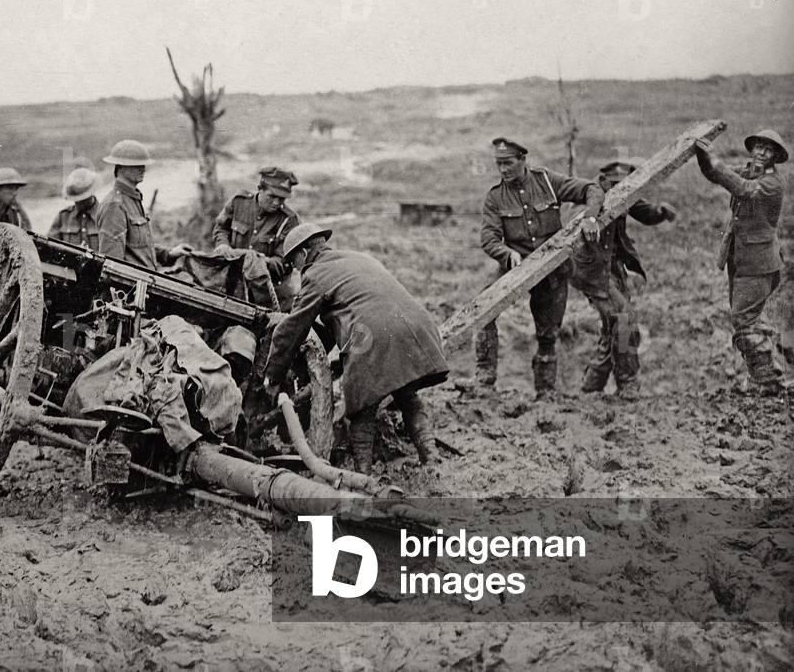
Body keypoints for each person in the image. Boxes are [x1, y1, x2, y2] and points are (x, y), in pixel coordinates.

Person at [264, 224, 449, 472]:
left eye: (294, 262)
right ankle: (431, 459)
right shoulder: (358, 257)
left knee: (362, 408)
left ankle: (364, 475)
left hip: (375, 336)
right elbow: (343, 315)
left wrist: (273, 376)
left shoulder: (315, 275)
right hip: (417, 327)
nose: (295, 269)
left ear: (305, 254)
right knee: (408, 394)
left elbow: (292, 328)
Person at [476, 137, 604, 399]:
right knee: (483, 310)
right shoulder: (494, 197)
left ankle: (545, 392)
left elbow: (593, 189)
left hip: (552, 269)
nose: (502, 170)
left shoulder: (547, 181)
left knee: (548, 333)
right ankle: (484, 381)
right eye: (498, 164)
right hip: (515, 266)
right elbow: (488, 239)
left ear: (523, 160)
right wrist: (507, 253)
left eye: (508, 163)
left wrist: (591, 217)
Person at [571, 162, 677, 399]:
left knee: (615, 326)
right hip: (591, 271)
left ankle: (592, 385)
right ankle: (627, 382)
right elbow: (573, 226)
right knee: (624, 318)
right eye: (613, 184)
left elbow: (641, 210)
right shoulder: (589, 197)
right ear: (602, 180)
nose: (618, 189)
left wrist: (659, 212)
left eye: (622, 184)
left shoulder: (622, 192)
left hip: (612, 268)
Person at [694, 129, 788, 395]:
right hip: (741, 258)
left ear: (774, 158)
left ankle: (768, 382)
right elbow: (716, 174)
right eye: (758, 147)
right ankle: (767, 374)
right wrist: (703, 156)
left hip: (759, 264)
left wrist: (716, 160)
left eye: (767, 150)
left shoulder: (772, 185)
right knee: (747, 319)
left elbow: (741, 188)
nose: (761, 152)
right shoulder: (749, 172)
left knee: (744, 321)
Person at [212, 167, 301, 305]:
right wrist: (223, 245)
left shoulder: (289, 220)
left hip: (268, 296)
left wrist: (258, 261)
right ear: (260, 189)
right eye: (272, 197)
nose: (277, 203)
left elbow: (283, 263)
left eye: (282, 199)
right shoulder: (238, 203)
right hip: (233, 286)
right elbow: (221, 228)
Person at [96, 139, 188, 268]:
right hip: (132, 287)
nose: (142, 169)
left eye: (143, 165)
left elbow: (138, 249)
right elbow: (112, 264)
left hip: (146, 282)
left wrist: (169, 254)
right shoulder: (115, 205)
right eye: (136, 165)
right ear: (120, 167)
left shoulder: (132, 199)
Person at [47, 168, 100, 249]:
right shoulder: (63, 216)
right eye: (76, 200)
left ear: (91, 193)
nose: (78, 203)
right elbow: (49, 246)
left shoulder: (104, 214)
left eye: (83, 199)